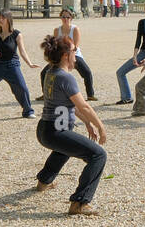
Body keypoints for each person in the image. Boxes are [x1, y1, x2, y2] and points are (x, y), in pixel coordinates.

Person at [35, 32, 108, 215]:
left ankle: (44, 181)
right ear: (66, 55)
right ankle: (80, 203)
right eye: (75, 51)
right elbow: (83, 105)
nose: (77, 54)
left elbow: (70, 105)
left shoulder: (50, 73)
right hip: (56, 131)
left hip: (46, 129)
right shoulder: (66, 77)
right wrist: (100, 126)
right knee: (98, 155)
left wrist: (86, 124)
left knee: (65, 148)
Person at [36, 9, 96, 101]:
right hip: (60, 56)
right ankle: (46, 94)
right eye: (63, 17)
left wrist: (69, 56)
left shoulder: (75, 29)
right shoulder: (57, 30)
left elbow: (75, 46)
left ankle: (90, 94)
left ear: (71, 18)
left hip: (74, 54)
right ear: (60, 17)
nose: (65, 19)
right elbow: (55, 45)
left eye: (68, 17)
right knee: (44, 73)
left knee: (87, 72)